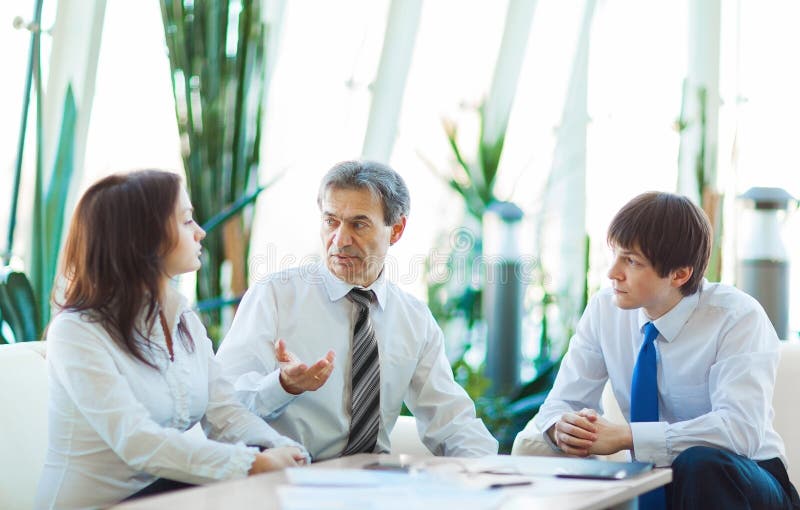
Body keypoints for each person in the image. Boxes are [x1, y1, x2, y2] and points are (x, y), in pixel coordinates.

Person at [35, 170, 308, 510]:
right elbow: (136, 440)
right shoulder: (76, 332)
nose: (201, 232)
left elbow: (224, 414)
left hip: (164, 498)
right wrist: (252, 464)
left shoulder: (184, 322)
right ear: (143, 238)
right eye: (187, 221)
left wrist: (279, 447)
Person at [512, 192, 799, 509]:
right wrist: (562, 426)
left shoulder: (737, 317)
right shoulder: (604, 310)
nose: (613, 273)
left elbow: (739, 431)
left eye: (632, 261)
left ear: (679, 274)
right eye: (616, 255)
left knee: (700, 464)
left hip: (746, 482)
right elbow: (559, 403)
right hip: (663, 483)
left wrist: (628, 437)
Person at [216, 160, 498, 460]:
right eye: (331, 221)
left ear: (397, 230)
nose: (340, 240)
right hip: (289, 480)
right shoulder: (273, 296)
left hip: (374, 487)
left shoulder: (414, 319)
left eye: (358, 224)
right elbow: (223, 407)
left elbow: (451, 421)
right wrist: (283, 385)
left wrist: (491, 474)